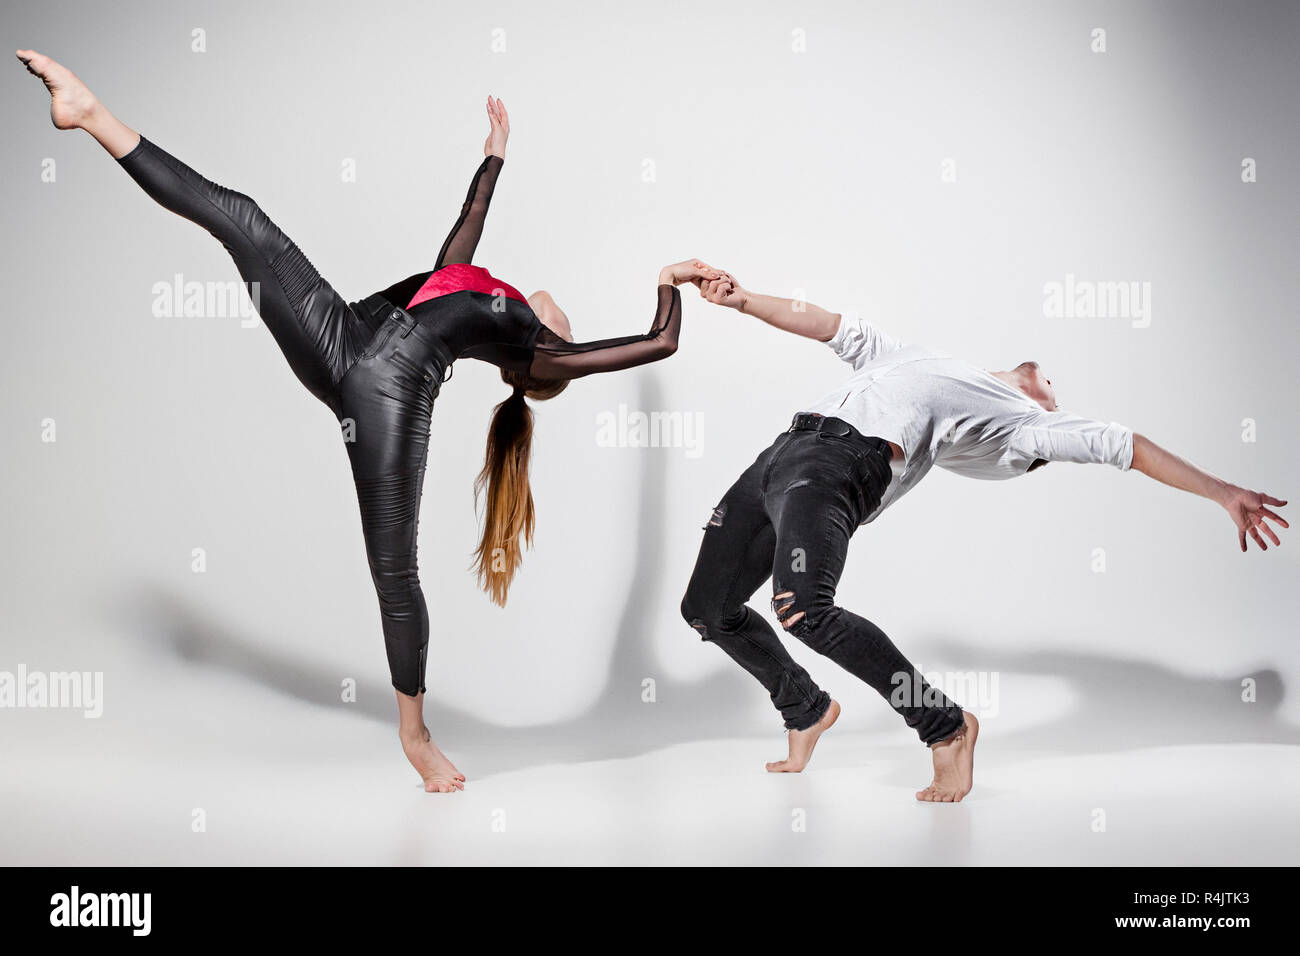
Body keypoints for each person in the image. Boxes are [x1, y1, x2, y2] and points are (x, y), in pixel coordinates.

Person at [18, 50, 719, 792]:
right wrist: (494, 159)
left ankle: (414, 736)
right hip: (343, 334)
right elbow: (465, 230)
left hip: (387, 398)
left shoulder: (543, 353)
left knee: (395, 572)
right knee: (244, 221)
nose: (562, 307)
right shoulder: (473, 284)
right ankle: (90, 114)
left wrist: (670, 280)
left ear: (537, 370)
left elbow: (659, 343)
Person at [680, 269, 1288, 802]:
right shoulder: (915, 358)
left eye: (1058, 390)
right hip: (779, 457)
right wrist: (744, 300)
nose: (1053, 380)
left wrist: (1224, 493)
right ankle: (805, 707)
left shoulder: (1021, 425)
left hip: (836, 466)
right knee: (707, 609)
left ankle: (945, 726)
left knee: (805, 611)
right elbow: (826, 324)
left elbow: (1126, 447)